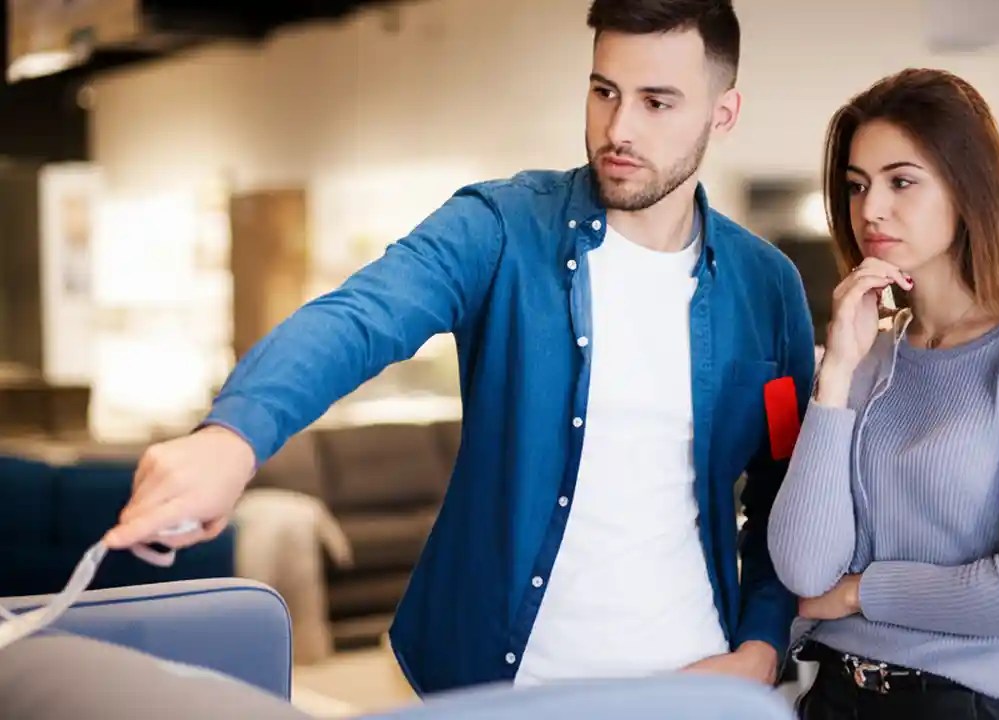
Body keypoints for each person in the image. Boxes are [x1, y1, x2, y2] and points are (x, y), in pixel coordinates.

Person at [103, 0, 815, 696]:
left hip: (689, 684)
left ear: (722, 115)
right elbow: (362, 316)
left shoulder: (767, 287)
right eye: (604, 91)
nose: (618, 128)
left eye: (658, 103)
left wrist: (760, 647)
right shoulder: (501, 227)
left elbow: (784, 490)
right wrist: (234, 435)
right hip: (503, 684)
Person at [767, 68, 999, 720]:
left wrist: (862, 592)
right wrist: (836, 369)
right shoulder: (867, 350)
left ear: (967, 188)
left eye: (902, 181)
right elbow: (807, 574)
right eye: (858, 186)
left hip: (969, 706)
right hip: (835, 699)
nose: (870, 209)